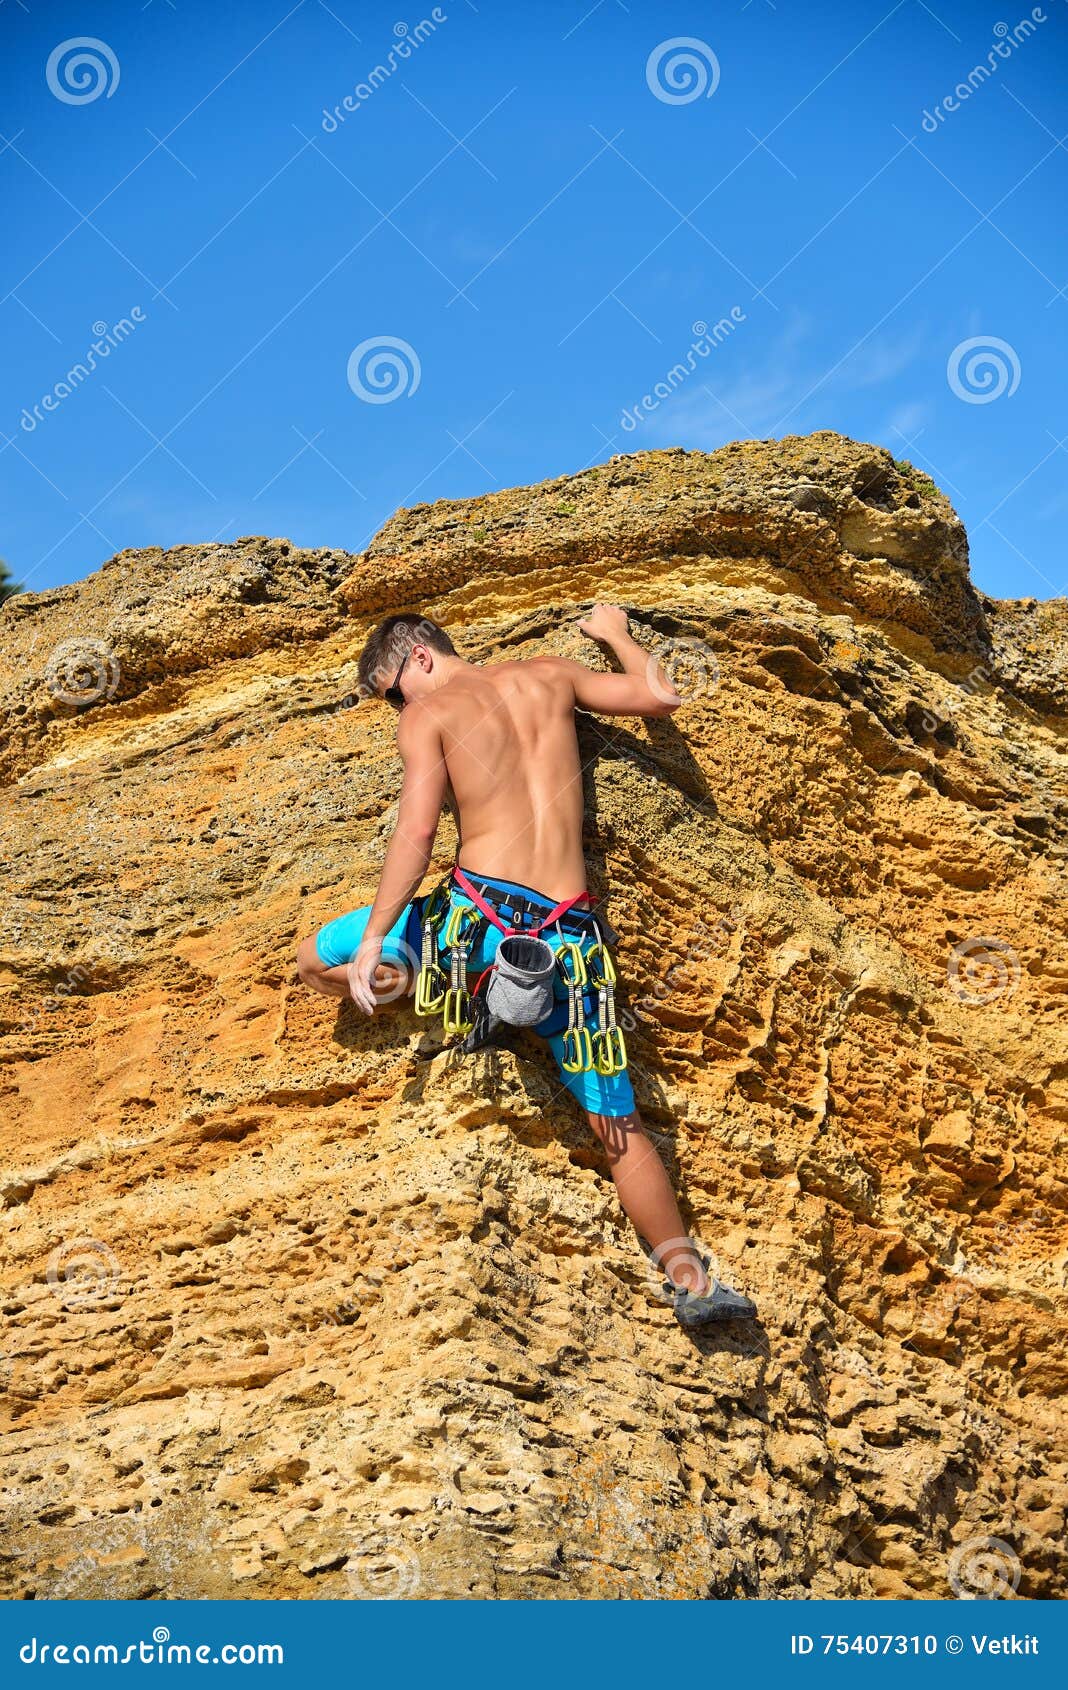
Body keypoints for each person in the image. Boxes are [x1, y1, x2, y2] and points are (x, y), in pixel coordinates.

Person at [296, 604, 756, 1328]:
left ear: (418, 657)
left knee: (317, 958)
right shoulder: (552, 677)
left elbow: (417, 832)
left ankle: (447, 988)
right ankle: (691, 1283)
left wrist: (378, 938)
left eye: (392, 693)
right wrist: (615, 634)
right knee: (618, 1125)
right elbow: (662, 694)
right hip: (570, 942)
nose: (397, 708)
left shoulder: (429, 714)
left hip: (473, 923)